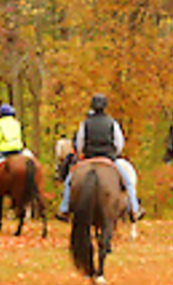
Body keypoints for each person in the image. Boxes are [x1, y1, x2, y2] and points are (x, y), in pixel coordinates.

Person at [56, 93, 142, 222]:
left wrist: (83, 153)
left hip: (88, 158)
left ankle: (64, 209)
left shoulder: (85, 123)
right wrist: (114, 153)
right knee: (128, 183)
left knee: (69, 181)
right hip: (108, 157)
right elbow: (119, 143)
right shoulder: (112, 123)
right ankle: (134, 209)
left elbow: (80, 143)